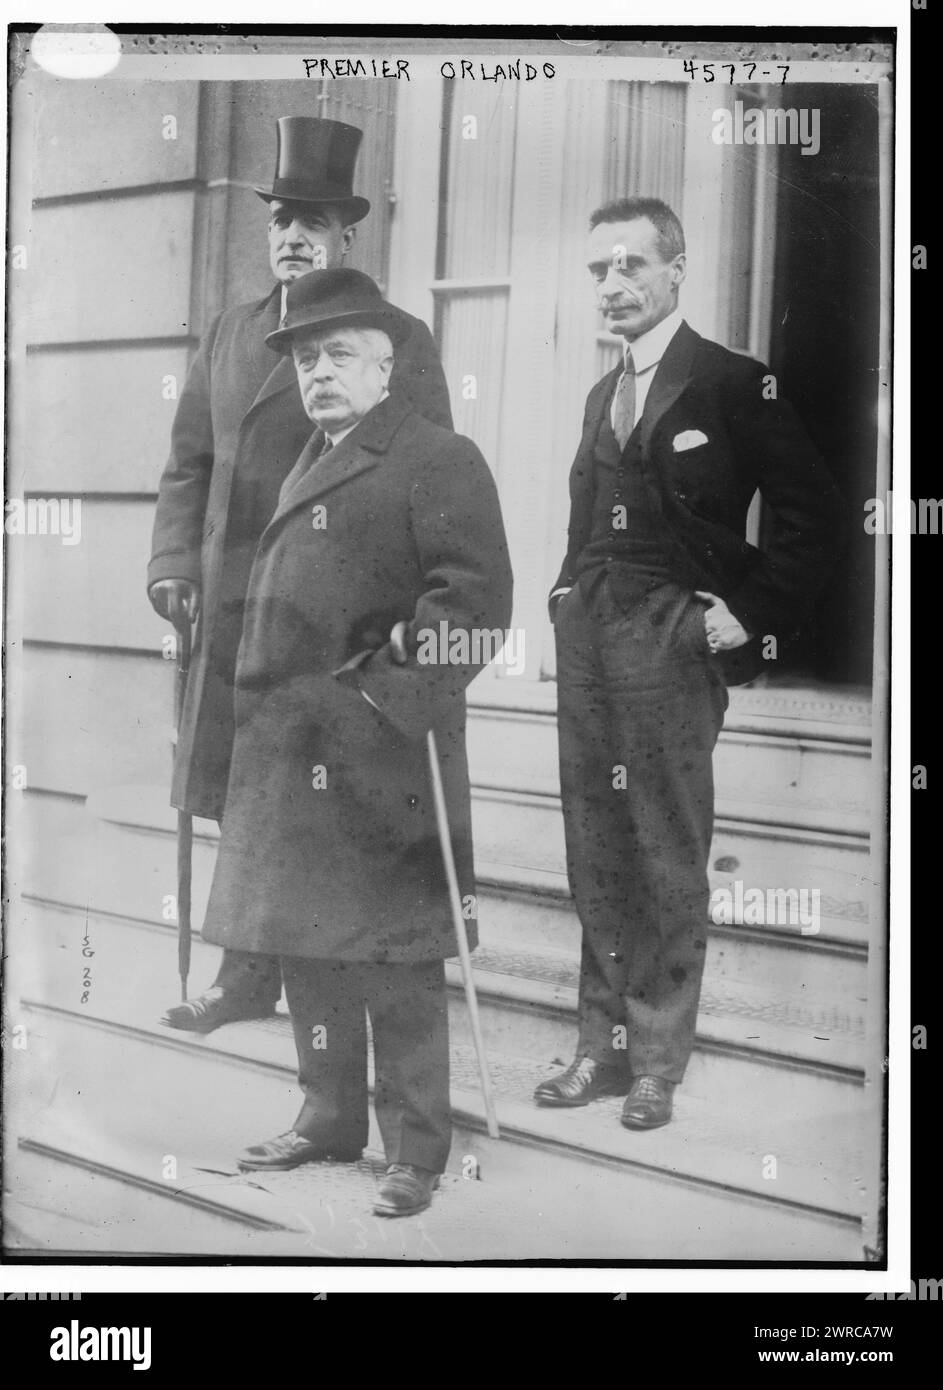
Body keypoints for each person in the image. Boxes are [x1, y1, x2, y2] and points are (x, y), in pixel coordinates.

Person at [196, 268, 512, 1216]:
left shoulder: (434, 456)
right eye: (303, 357)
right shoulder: (304, 458)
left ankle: (415, 1145)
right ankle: (328, 1115)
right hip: (291, 750)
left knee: (393, 952)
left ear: (384, 366)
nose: (317, 373)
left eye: (337, 354)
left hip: (381, 755)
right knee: (307, 944)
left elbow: (474, 607)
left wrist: (384, 702)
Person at [535, 196, 845, 1130]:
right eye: (599, 270)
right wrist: (560, 601)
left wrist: (744, 616)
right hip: (592, 638)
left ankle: (656, 1061)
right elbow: (584, 522)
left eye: (632, 265)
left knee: (664, 847)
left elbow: (814, 516)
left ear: (675, 271)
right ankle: (600, 1047)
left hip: (672, 639)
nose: (614, 284)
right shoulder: (601, 393)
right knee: (596, 847)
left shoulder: (730, 381)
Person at [147, 117, 451, 1033]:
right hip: (231, 606)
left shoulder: (397, 337)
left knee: (306, 795)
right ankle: (244, 980)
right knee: (242, 793)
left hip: (329, 611)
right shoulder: (230, 334)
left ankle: (325, 982)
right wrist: (170, 566)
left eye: (312, 221)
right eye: (280, 218)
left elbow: (422, 469)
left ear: (345, 236)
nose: (292, 235)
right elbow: (187, 462)